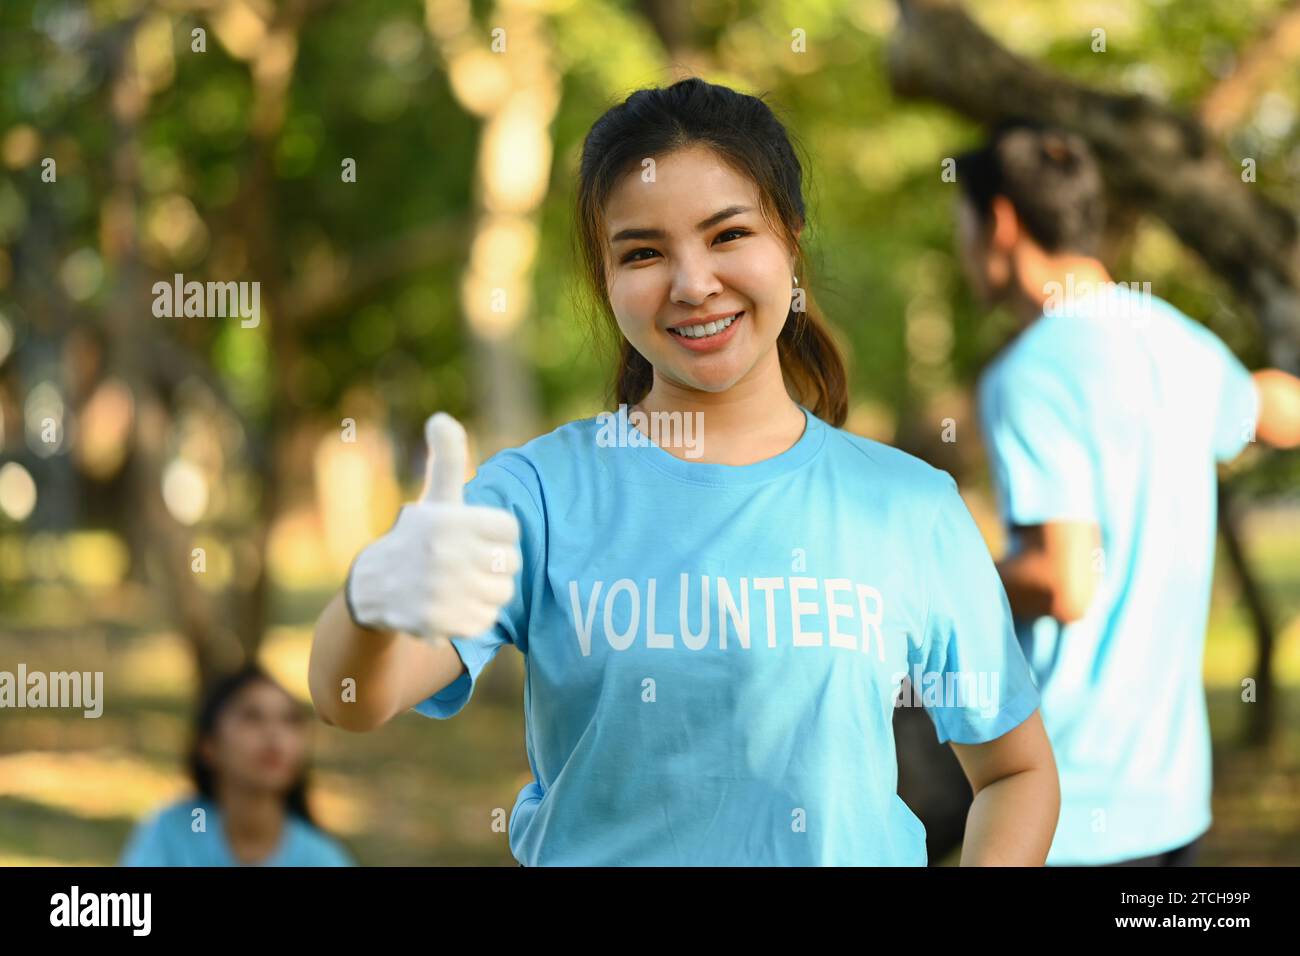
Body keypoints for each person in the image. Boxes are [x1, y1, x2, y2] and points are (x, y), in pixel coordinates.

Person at [310, 77, 1059, 866]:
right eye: (643, 252)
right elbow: (349, 700)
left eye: (729, 234)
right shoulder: (537, 496)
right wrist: (371, 600)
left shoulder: (909, 507)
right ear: (605, 278)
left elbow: (1015, 771)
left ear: (791, 240)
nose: (693, 283)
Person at [952, 122, 1300, 866]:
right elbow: (1276, 408)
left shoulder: (1029, 376)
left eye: (964, 223)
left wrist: (934, 586)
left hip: (1068, 809)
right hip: (1174, 803)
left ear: (1002, 223)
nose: (961, 249)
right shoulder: (1174, 340)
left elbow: (1062, 580)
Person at [121, 665, 353, 866]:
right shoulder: (174, 832)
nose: (274, 736)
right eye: (252, 717)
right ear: (208, 745)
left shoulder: (321, 859)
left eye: (289, 720)